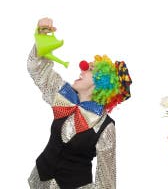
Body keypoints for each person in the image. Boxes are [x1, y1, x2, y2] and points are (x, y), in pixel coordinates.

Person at [28, 18, 133, 189]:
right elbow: (37, 69)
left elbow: (106, 181)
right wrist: (43, 37)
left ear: (102, 83)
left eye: (90, 69)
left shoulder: (105, 126)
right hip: (40, 180)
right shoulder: (63, 94)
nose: (82, 68)